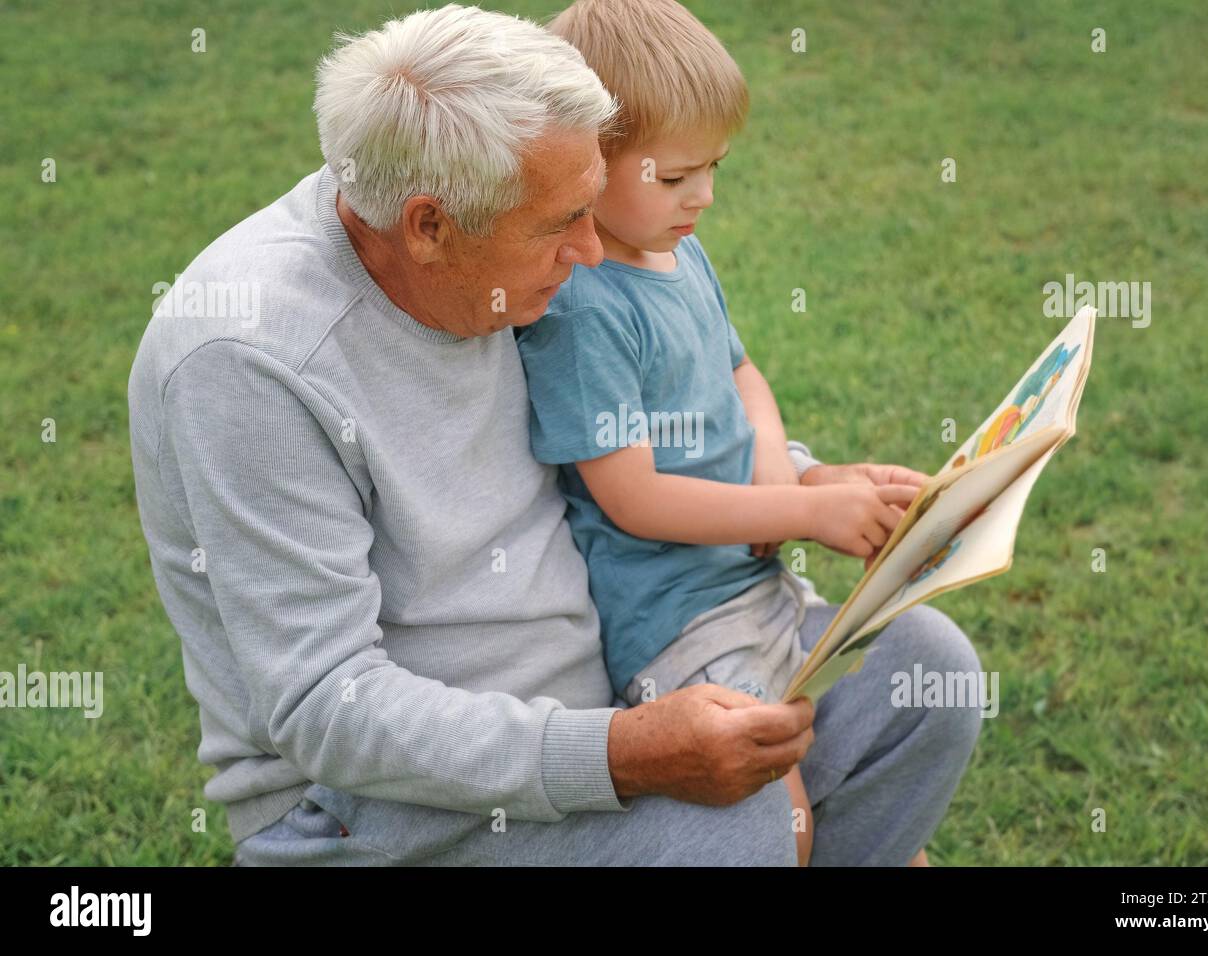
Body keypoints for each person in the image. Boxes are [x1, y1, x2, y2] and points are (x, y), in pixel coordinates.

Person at [126, 3, 982, 866]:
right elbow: (326, 708)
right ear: (429, 227)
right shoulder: (247, 365)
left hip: (615, 683)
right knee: (747, 827)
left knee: (925, 675)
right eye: (558, 225)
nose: (591, 251)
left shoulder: (497, 252)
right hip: (388, 805)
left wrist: (800, 482)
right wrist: (622, 753)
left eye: (591, 208)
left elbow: (621, 428)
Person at [518, 0, 927, 867]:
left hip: (761, 591)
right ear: (586, 165)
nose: (702, 196)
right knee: (781, 822)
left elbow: (745, 376)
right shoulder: (585, 310)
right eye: (674, 178)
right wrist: (796, 513)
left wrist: (781, 483)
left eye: (715, 167)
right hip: (678, 626)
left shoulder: (678, 250)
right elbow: (632, 497)